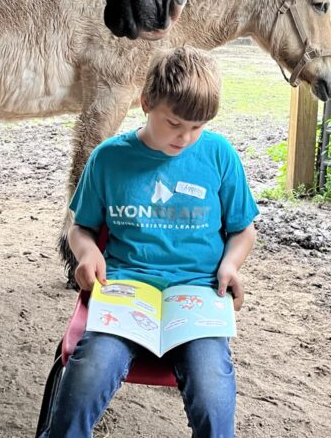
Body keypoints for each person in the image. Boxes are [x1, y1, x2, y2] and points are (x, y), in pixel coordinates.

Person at [40, 46, 259, 438]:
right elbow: (81, 227)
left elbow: (243, 229)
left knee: (213, 392)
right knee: (88, 371)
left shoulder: (219, 155)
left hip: (196, 296)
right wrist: (87, 252)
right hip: (125, 292)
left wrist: (230, 265)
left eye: (197, 126)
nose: (186, 137)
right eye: (174, 123)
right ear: (145, 103)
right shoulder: (108, 159)